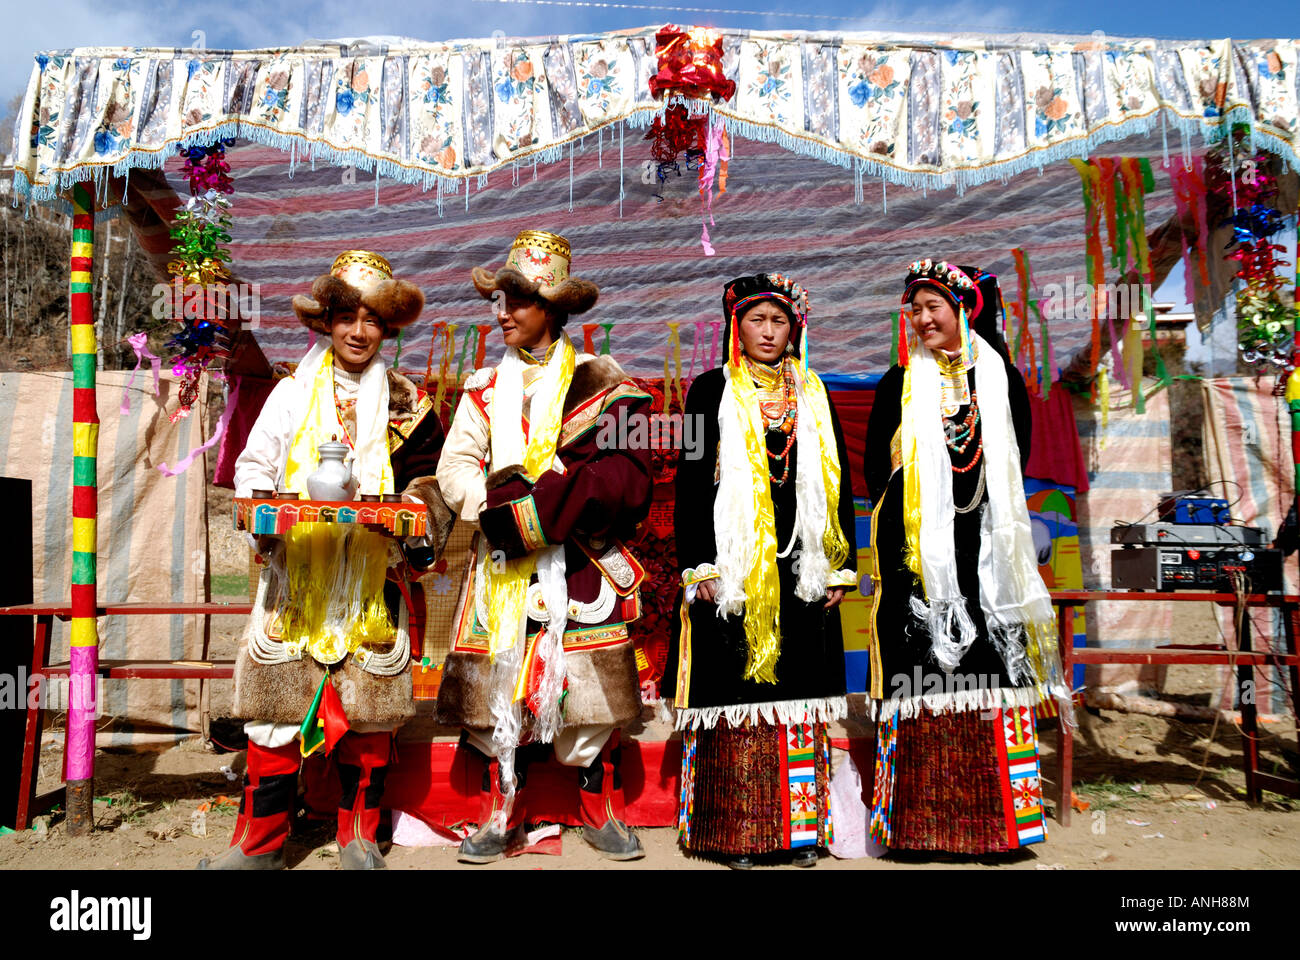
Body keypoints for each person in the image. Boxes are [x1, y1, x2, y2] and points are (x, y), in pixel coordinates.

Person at [201, 250, 453, 870]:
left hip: (373, 583)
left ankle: (359, 838)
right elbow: (253, 468)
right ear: (326, 323)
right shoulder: (290, 395)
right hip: (295, 580)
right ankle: (257, 847)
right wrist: (265, 515)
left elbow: (431, 487)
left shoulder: (409, 405)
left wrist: (412, 516)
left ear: (387, 328)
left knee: (368, 721)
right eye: (347, 318)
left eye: (371, 320)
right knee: (274, 715)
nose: (358, 332)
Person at [435, 229, 653, 863]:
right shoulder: (480, 389)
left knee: (588, 695)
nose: (502, 313)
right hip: (503, 564)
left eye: (518, 301)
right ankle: (499, 807)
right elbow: (455, 471)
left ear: (554, 309)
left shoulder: (603, 383)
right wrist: (503, 513)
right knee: (495, 689)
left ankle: (596, 804)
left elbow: (626, 479)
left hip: (580, 563)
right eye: (499, 300)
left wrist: (557, 502)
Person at [863, 259, 1071, 855]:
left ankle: (996, 827)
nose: (924, 318)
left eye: (935, 307)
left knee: (994, 672)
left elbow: (1018, 457)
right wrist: (915, 537)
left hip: (988, 558)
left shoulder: (1001, 381)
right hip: (920, 562)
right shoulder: (895, 385)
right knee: (923, 676)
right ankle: (921, 829)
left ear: (963, 311)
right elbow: (878, 475)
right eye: (917, 308)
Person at [663, 273, 857, 869]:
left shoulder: (813, 391)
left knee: (797, 697)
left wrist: (838, 566)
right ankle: (736, 833)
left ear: (792, 326)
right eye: (757, 321)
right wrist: (699, 567)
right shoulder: (706, 390)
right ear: (735, 326)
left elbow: (841, 481)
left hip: (802, 564)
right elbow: (691, 484)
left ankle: (800, 833)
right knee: (736, 695)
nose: (769, 332)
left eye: (779, 321)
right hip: (732, 566)